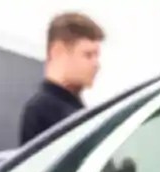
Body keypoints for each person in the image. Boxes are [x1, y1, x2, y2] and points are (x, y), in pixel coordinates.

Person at [18, 12, 103, 145]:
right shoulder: (43, 111)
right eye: (88, 55)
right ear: (57, 52)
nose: (96, 64)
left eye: (97, 56)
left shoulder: (76, 111)